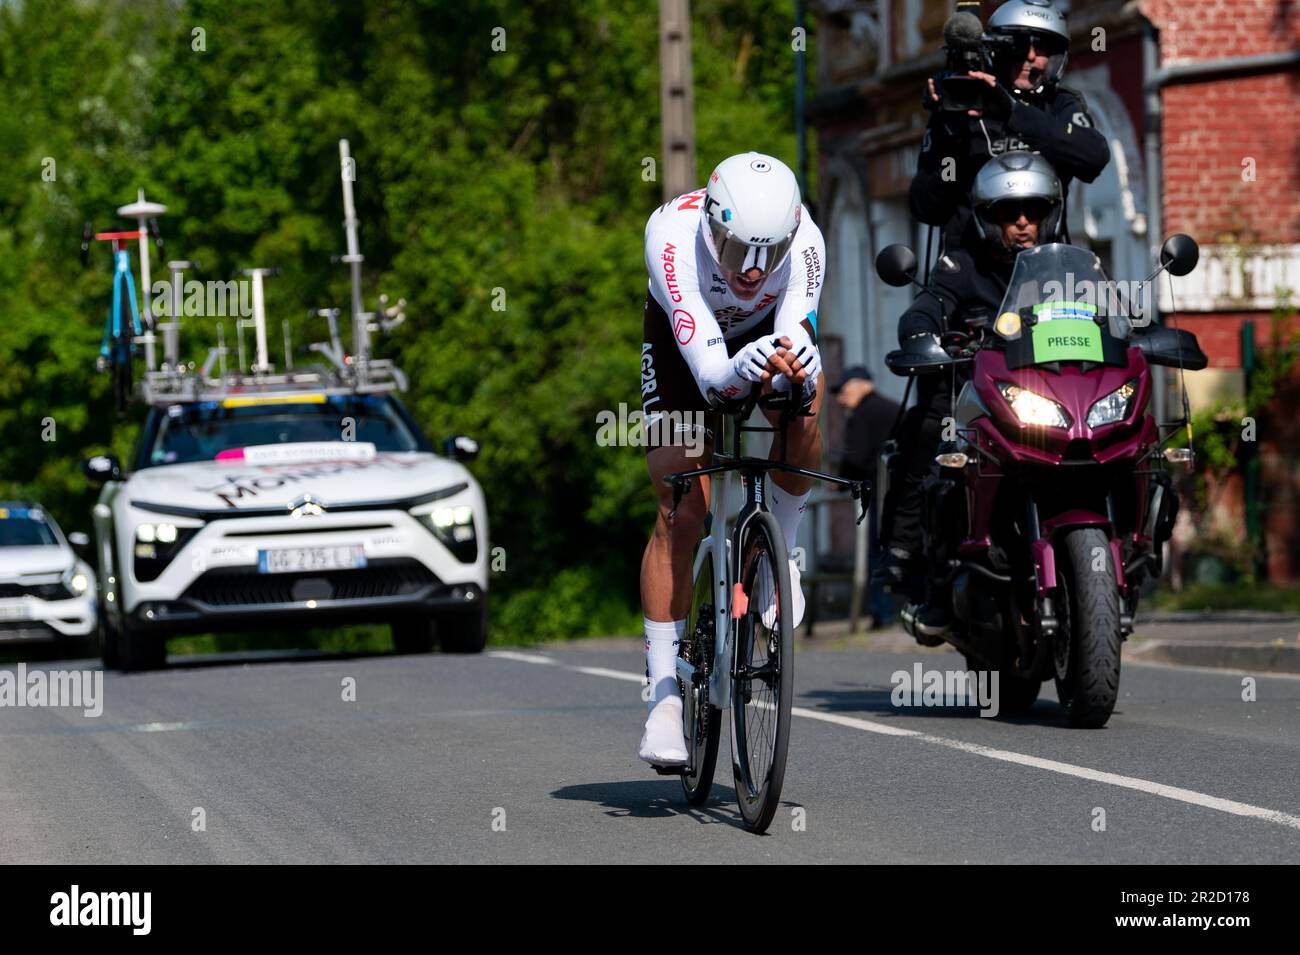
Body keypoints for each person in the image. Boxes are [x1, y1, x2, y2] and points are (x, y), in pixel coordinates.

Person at [638, 152, 826, 765]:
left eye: (768, 254)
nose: (751, 270)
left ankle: (780, 555)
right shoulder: (670, 236)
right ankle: (665, 694)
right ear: (710, 226)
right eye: (737, 248)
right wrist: (736, 372)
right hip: (686, 345)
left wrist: (794, 369)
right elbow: (714, 378)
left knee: (807, 399)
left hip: (763, 334)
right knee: (680, 499)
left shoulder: (807, 246)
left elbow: (796, 330)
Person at [878, 150, 1063, 639]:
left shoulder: (1066, 266)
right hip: (976, 391)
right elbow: (927, 307)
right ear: (986, 217)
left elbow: (1111, 310)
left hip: (1056, 392)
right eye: (1009, 213)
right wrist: (922, 335)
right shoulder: (961, 266)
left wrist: (1134, 327)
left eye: (1034, 211)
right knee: (932, 439)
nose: (1023, 223)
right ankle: (920, 569)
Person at [909, 0, 1108, 250]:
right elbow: (926, 208)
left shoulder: (1060, 105)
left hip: (1044, 266)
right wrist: (951, 134)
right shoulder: (965, 105)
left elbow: (1094, 156)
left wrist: (1013, 111)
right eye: (1019, 46)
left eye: (1042, 47)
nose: (1031, 56)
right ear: (996, 50)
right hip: (970, 275)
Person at [832, 366, 900, 626]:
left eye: (843, 390)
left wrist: (841, 482)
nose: (840, 399)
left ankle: (881, 613)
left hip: (880, 493)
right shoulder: (894, 408)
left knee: (876, 551)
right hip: (906, 492)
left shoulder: (861, 414)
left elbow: (856, 457)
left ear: (861, 384)